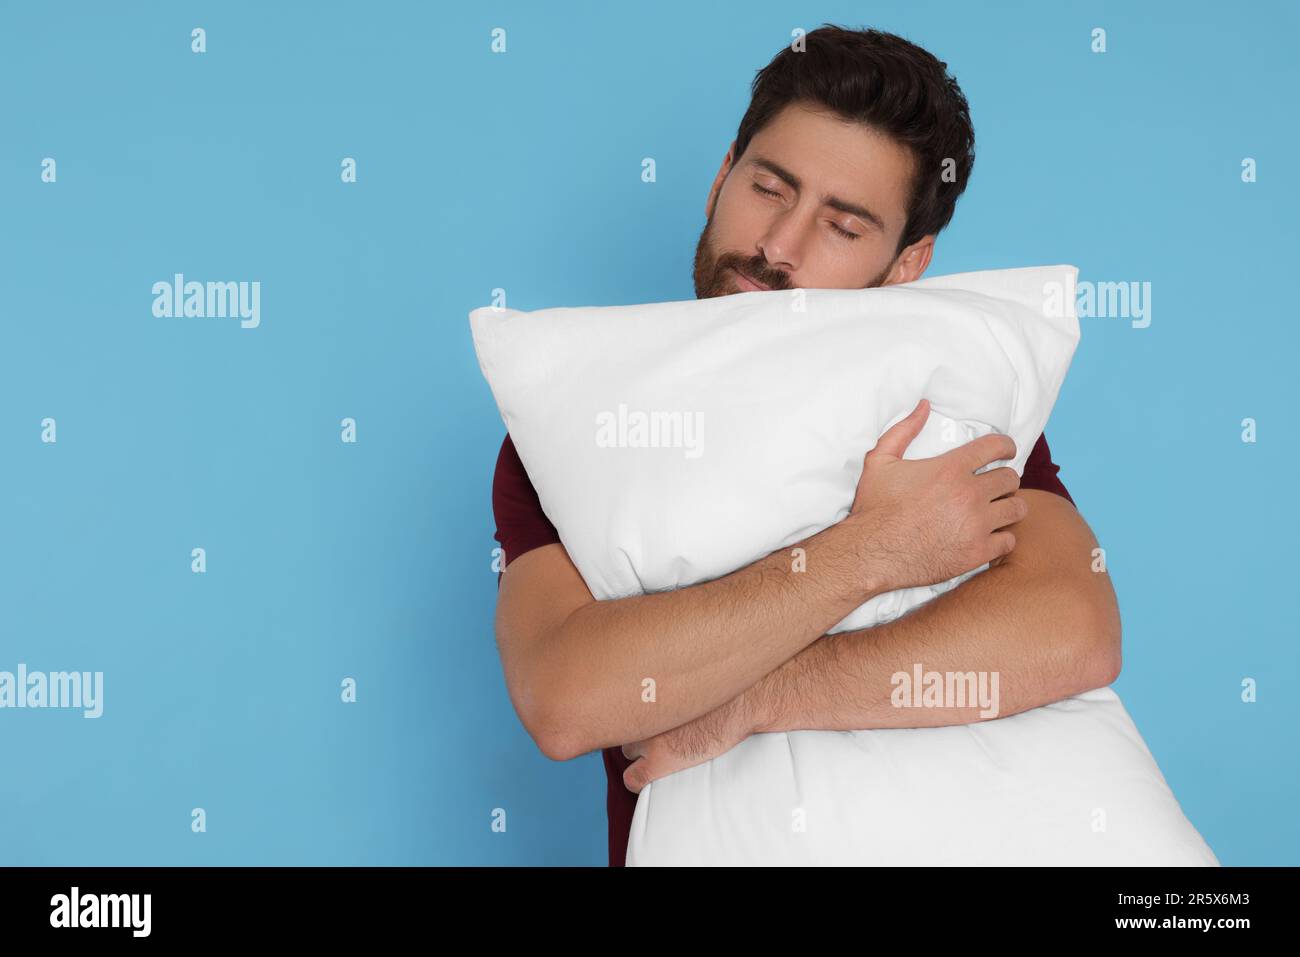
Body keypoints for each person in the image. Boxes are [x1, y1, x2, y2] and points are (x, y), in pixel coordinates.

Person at [490, 24, 1121, 867]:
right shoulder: (581, 423)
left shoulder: (945, 408)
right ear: (722, 175)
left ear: (906, 265)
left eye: (844, 224)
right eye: (769, 187)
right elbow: (565, 700)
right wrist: (870, 552)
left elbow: (1075, 628)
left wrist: (755, 699)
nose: (778, 247)